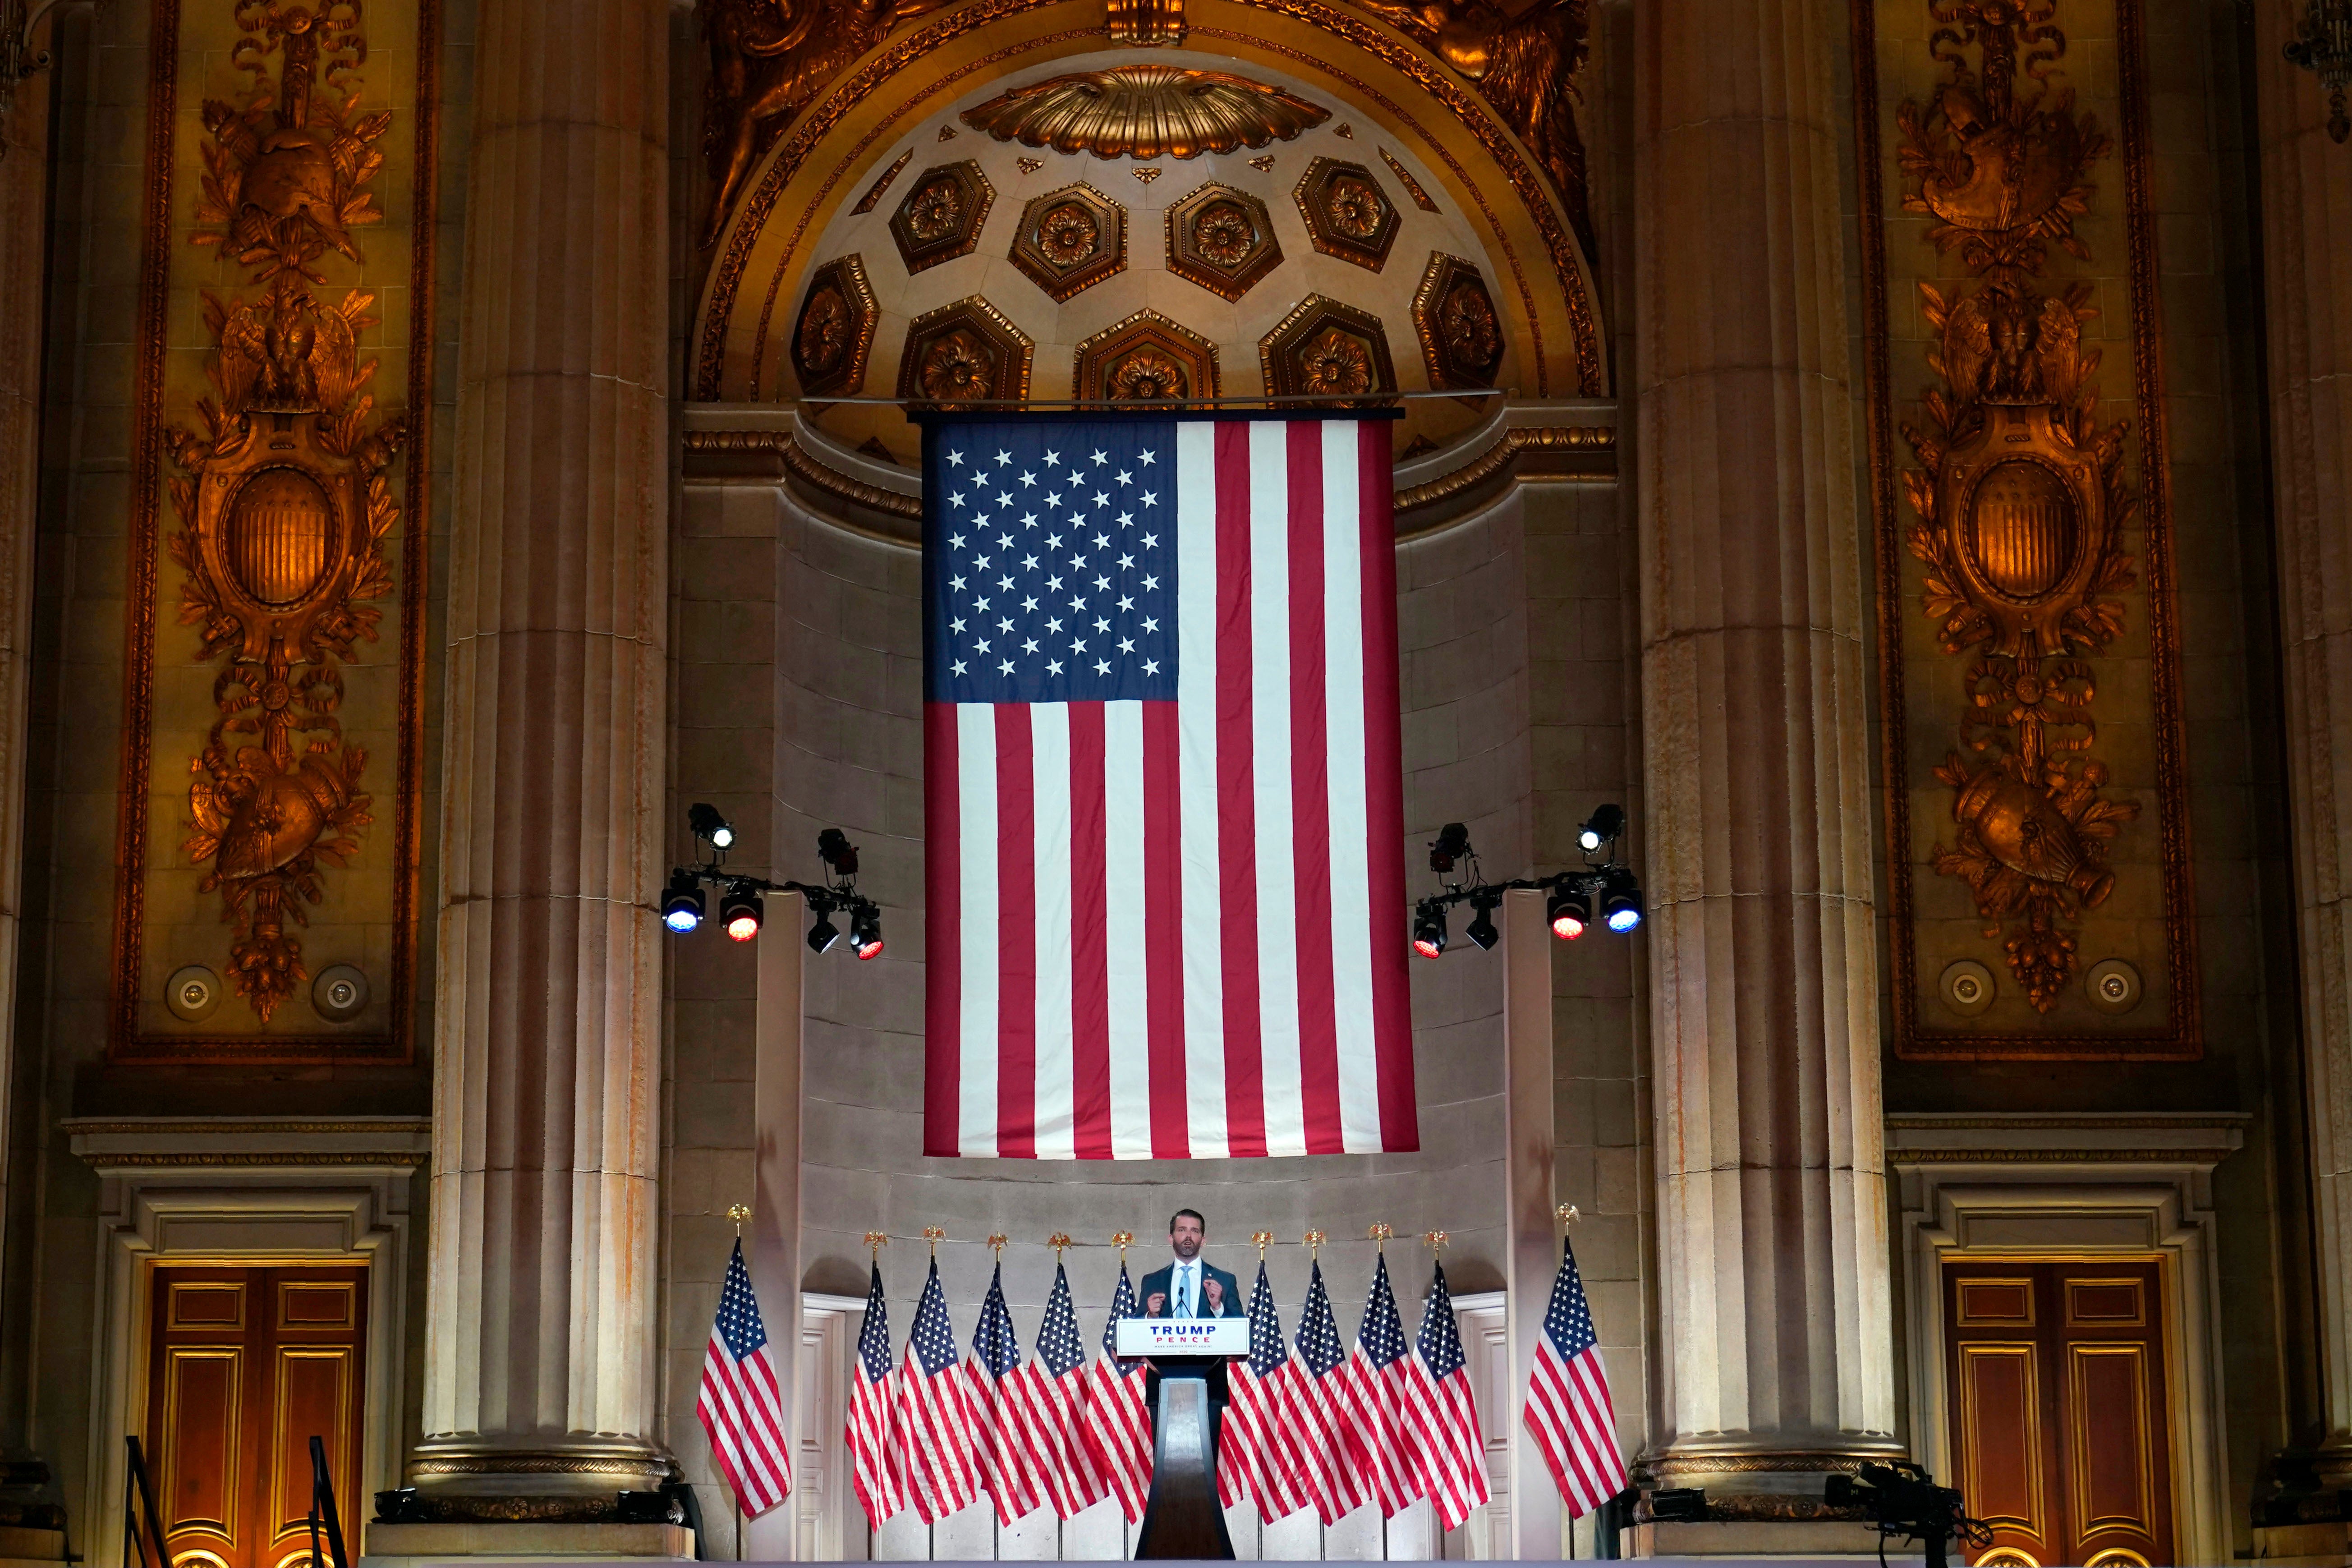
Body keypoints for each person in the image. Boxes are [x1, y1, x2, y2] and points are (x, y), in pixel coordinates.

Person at [1139, 1208, 1245, 1319]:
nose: (1188, 1236)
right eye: (1182, 1230)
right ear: (1171, 1239)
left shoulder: (1225, 1281)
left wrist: (1218, 1307)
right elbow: (1134, 1330)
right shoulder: (1152, 1282)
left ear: (1203, 1241)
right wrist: (1151, 1316)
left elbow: (1240, 1329)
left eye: (1195, 1231)